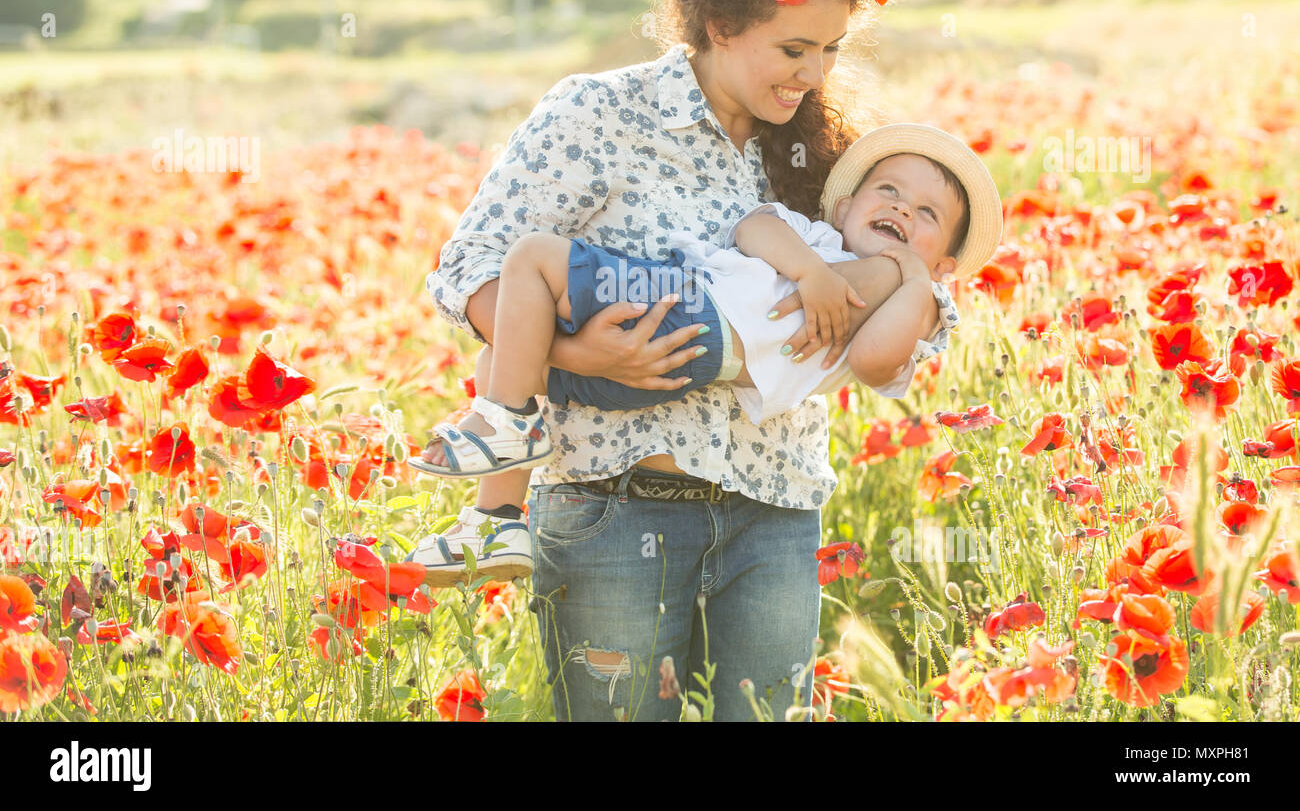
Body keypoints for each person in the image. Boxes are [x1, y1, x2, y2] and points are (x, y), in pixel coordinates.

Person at [421, 0, 998, 721]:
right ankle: (494, 506)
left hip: (775, 510)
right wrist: (584, 357)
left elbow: (883, 325)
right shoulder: (599, 114)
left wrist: (904, 286)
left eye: (831, 50)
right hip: (615, 507)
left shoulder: (821, 156)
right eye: (794, 48)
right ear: (721, 23)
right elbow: (471, 270)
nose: (815, 75)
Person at [408, 123, 1001, 592]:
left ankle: (506, 424)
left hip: (694, 315)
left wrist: (914, 277)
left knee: (534, 257)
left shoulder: (921, 300)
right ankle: (499, 521)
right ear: (843, 209)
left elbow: (873, 362)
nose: (903, 211)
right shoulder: (814, 241)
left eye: (928, 215)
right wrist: (810, 270)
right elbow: (753, 227)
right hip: (682, 346)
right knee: (502, 361)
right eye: (890, 192)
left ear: (947, 263)